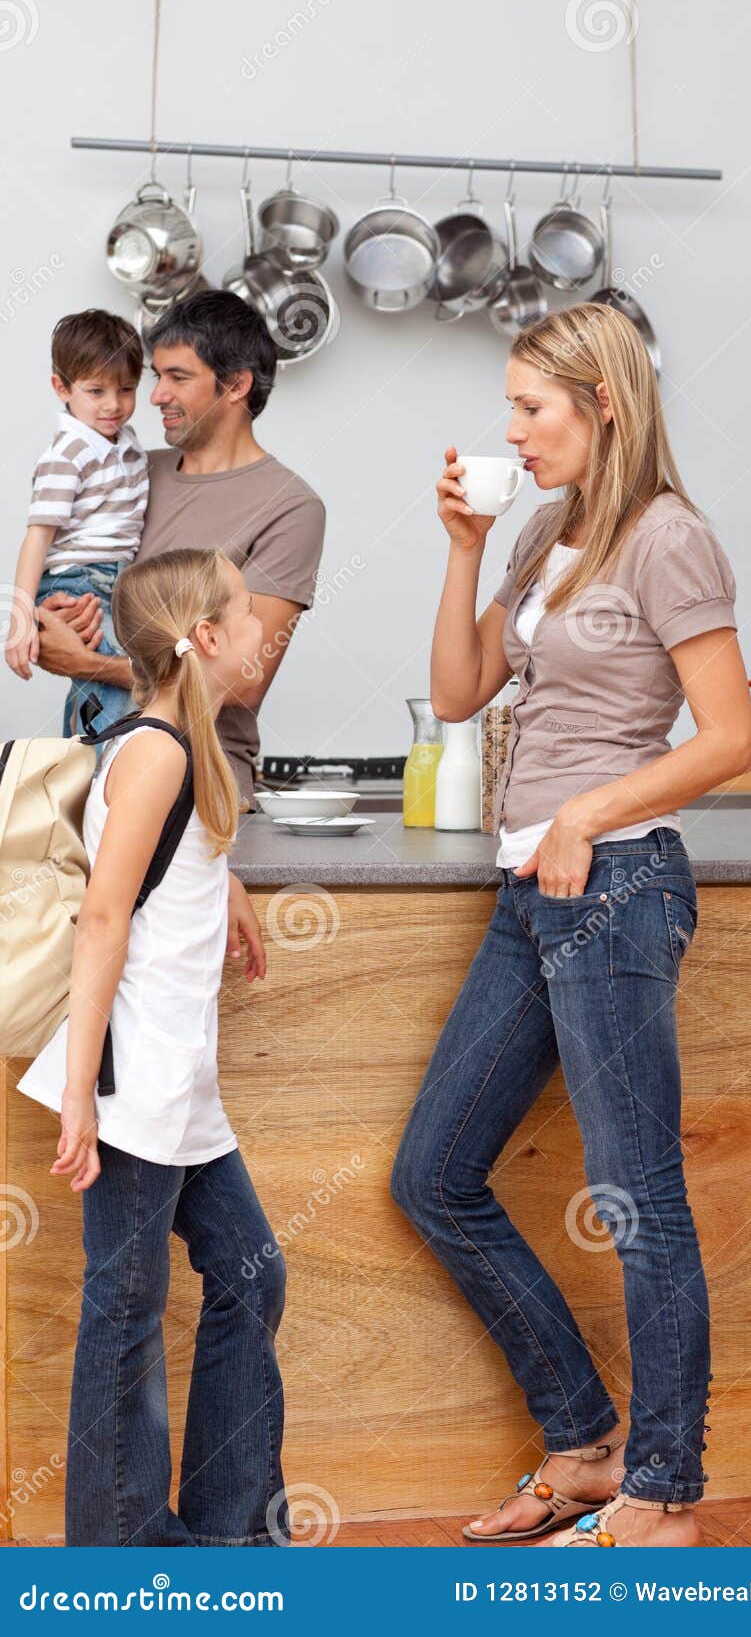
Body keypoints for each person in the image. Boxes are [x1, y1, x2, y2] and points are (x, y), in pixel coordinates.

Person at [391, 303, 751, 1549]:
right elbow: (456, 691)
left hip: (614, 889)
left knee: (638, 1195)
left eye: (529, 409)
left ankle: (663, 1494)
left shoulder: (669, 540)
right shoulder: (545, 529)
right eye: (507, 409)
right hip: (530, 897)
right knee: (433, 1175)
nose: (510, 430)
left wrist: (587, 810)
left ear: (601, 405)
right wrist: (463, 544)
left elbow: (726, 739)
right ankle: (588, 1444)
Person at [17, 547, 290, 1547]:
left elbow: (152, 867)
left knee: (250, 1273)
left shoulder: (178, 745)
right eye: (248, 611)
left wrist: (222, 881)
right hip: (137, 1084)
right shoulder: (160, 752)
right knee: (125, 1312)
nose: (265, 624)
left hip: (177, 1090)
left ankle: (229, 1529)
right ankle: (120, 1551)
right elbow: (102, 917)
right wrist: (84, 1089)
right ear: (206, 640)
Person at [33, 290, 326, 811]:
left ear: (236, 384)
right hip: (93, 774)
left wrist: (89, 663)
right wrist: (50, 615)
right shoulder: (131, 472)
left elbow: (242, 683)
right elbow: (71, 568)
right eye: (157, 376)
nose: (154, 396)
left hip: (196, 794)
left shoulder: (291, 507)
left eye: (179, 377)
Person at [5, 310, 146, 734]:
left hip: (118, 580)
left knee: (99, 682)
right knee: (116, 682)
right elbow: (37, 538)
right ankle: (105, 776)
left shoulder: (126, 441)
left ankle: (83, 775)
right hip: (81, 580)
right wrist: (21, 617)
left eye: (127, 389)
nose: (113, 404)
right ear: (61, 388)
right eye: (96, 390)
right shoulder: (66, 455)